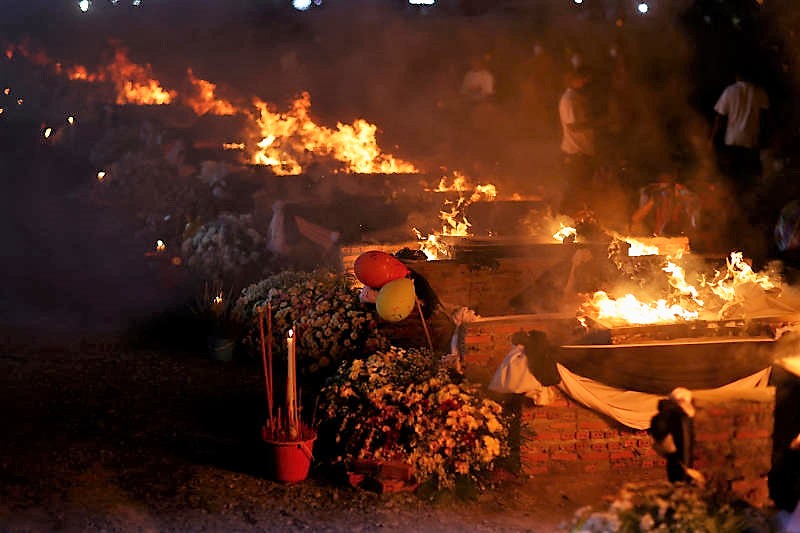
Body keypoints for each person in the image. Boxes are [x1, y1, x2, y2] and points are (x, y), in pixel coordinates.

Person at [710, 70, 770, 196]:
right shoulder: (759, 92)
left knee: (732, 181)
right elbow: (765, 119)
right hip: (751, 143)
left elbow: (719, 118)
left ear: (737, 75)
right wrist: (764, 140)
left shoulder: (729, 91)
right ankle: (748, 208)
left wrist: (711, 138)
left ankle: (733, 209)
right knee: (749, 182)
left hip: (732, 142)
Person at [558, 67, 596, 216]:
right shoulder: (569, 99)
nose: (586, 82)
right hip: (575, 154)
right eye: (583, 79)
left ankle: (579, 223)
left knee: (582, 191)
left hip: (584, 152)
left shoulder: (578, 98)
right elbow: (573, 126)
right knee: (574, 190)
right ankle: (563, 222)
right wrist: (600, 123)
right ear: (574, 80)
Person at [648, 387, 704, 484]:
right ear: (683, 400)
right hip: (681, 460)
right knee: (681, 486)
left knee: (674, 482)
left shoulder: (661, 414)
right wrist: (686, 468)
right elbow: (685, 442)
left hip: (671, 458)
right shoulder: (680, 416)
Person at [630, 168, 699, 237]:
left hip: (677, 239)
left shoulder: (682, 193)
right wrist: (652, 202)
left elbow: (693, 219)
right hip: (656, 239)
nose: (665, 190)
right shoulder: (650, 193)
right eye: (662, 181)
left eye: (667, 181)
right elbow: (635, 218)